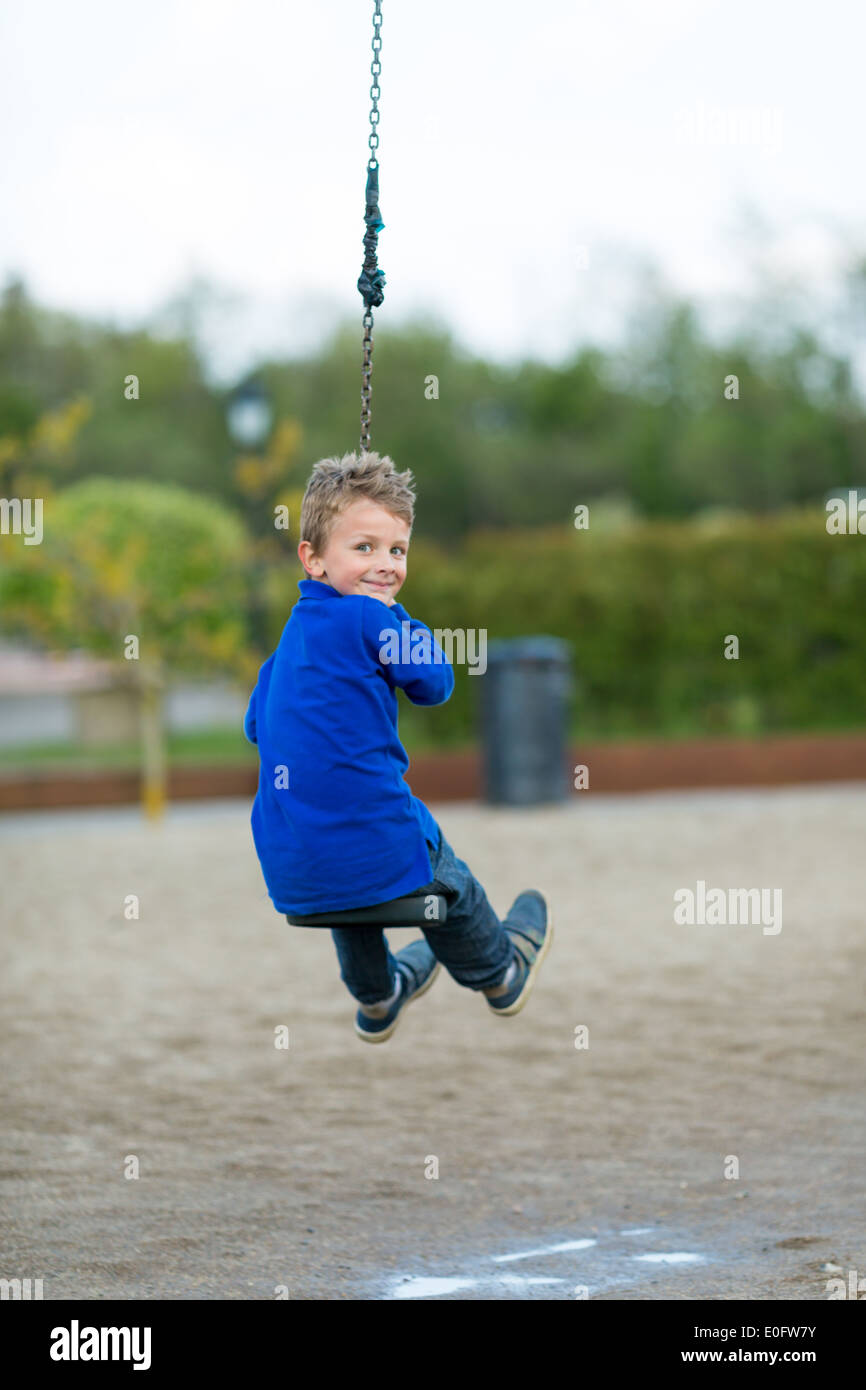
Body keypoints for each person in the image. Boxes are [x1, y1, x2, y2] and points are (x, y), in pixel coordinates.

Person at [243, 450, 553, 1043]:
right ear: (312, 558)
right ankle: (499, 972)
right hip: (380, 852)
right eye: (364, 548)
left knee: (348, 875)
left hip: (293, 871)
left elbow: (258, 727)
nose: (384, 565)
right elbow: (435, 683)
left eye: (397, 551)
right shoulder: (370, 620)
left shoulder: (279, 656)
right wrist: (398, 619)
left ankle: (378, 996)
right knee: (448, 880)